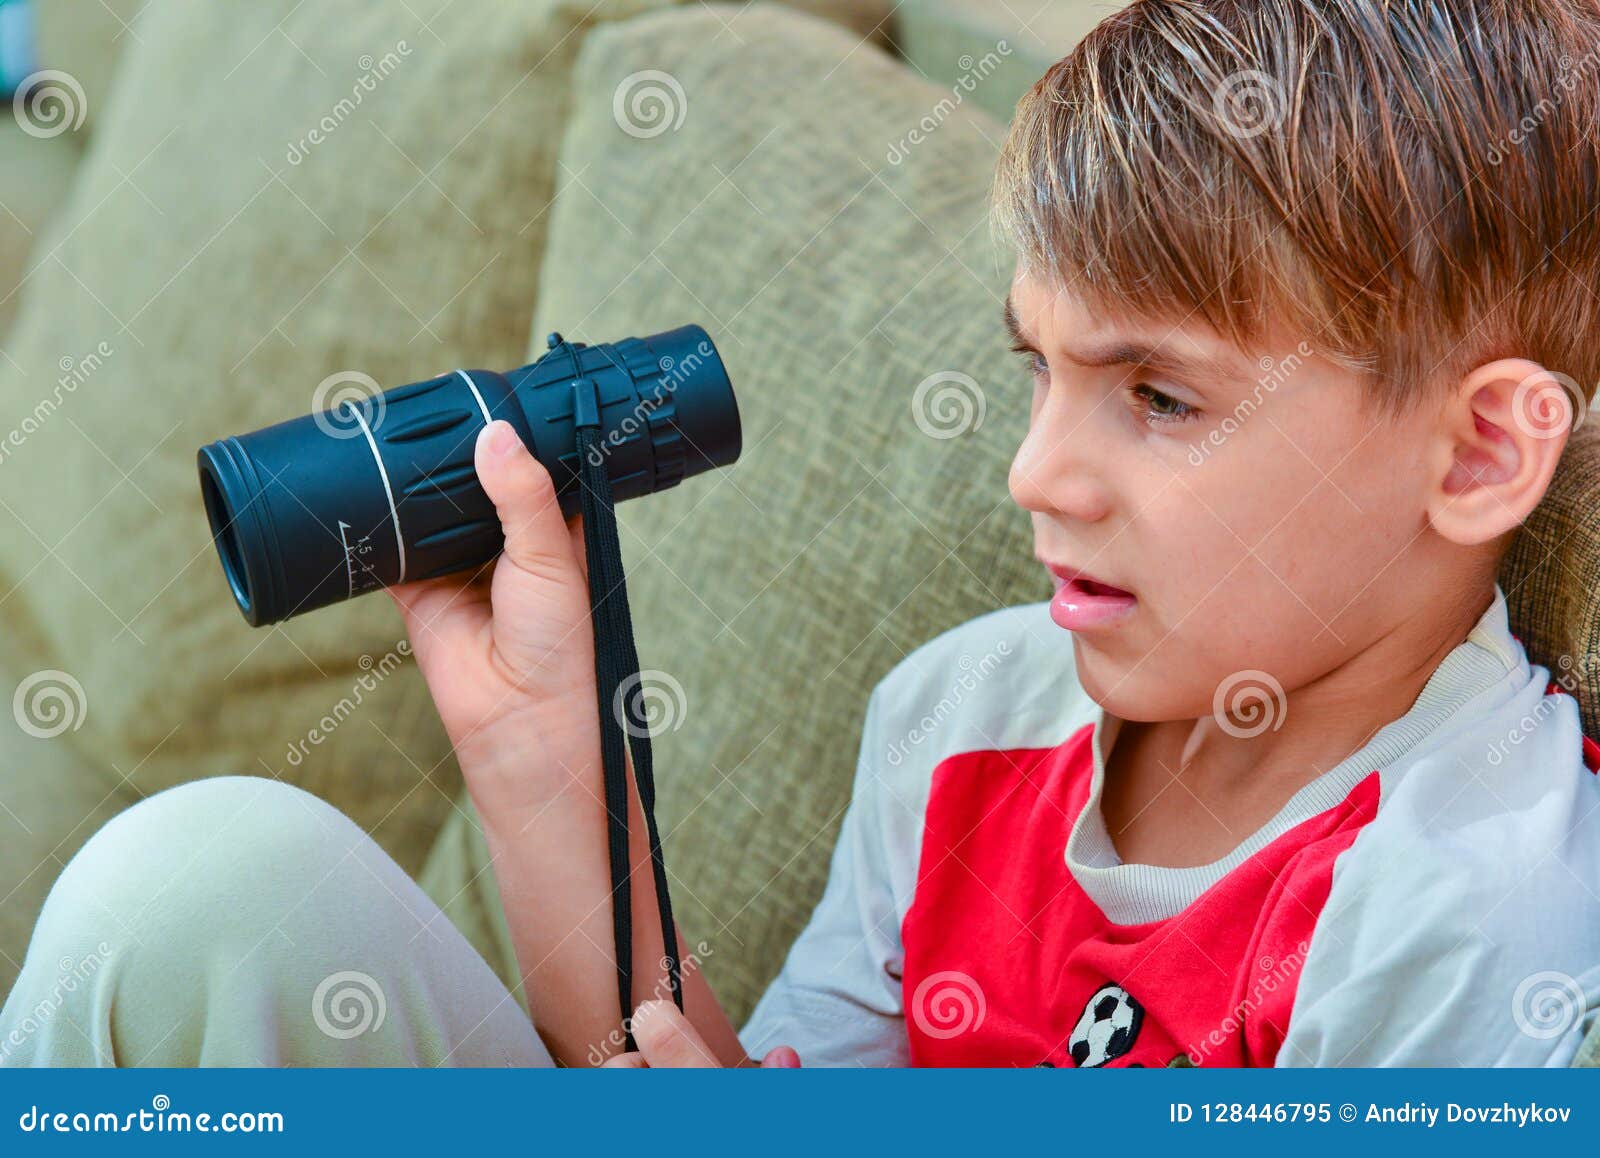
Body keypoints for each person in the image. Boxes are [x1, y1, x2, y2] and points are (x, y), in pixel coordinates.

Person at [5, 0, 1600, 1067]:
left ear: (1474, 453)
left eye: (1162, 399)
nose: (1041, 471)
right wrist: (552, 774)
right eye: (1037, 371)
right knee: (205, 879)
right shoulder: (966, 715)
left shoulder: (1479, 917)